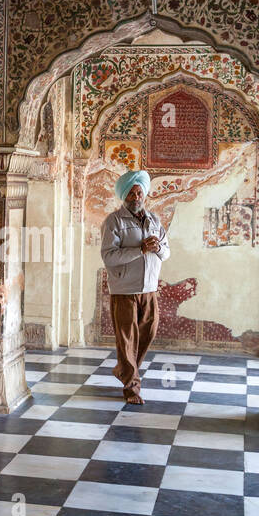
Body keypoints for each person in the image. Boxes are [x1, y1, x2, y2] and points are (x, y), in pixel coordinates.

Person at [100, 169, 170, 404]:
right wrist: (139, 250)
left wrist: (157, 247)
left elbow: (166, 252)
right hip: (124, 290)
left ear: (144, 194)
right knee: (127, 339)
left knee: (147, 334)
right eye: (131, 193)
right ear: (124, 196)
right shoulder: (114, 221)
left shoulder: (154, 220)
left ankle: (125, 370)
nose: (136, 196)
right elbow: (109, 256)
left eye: (139, 192)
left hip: (149, 288)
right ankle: (132, 388)